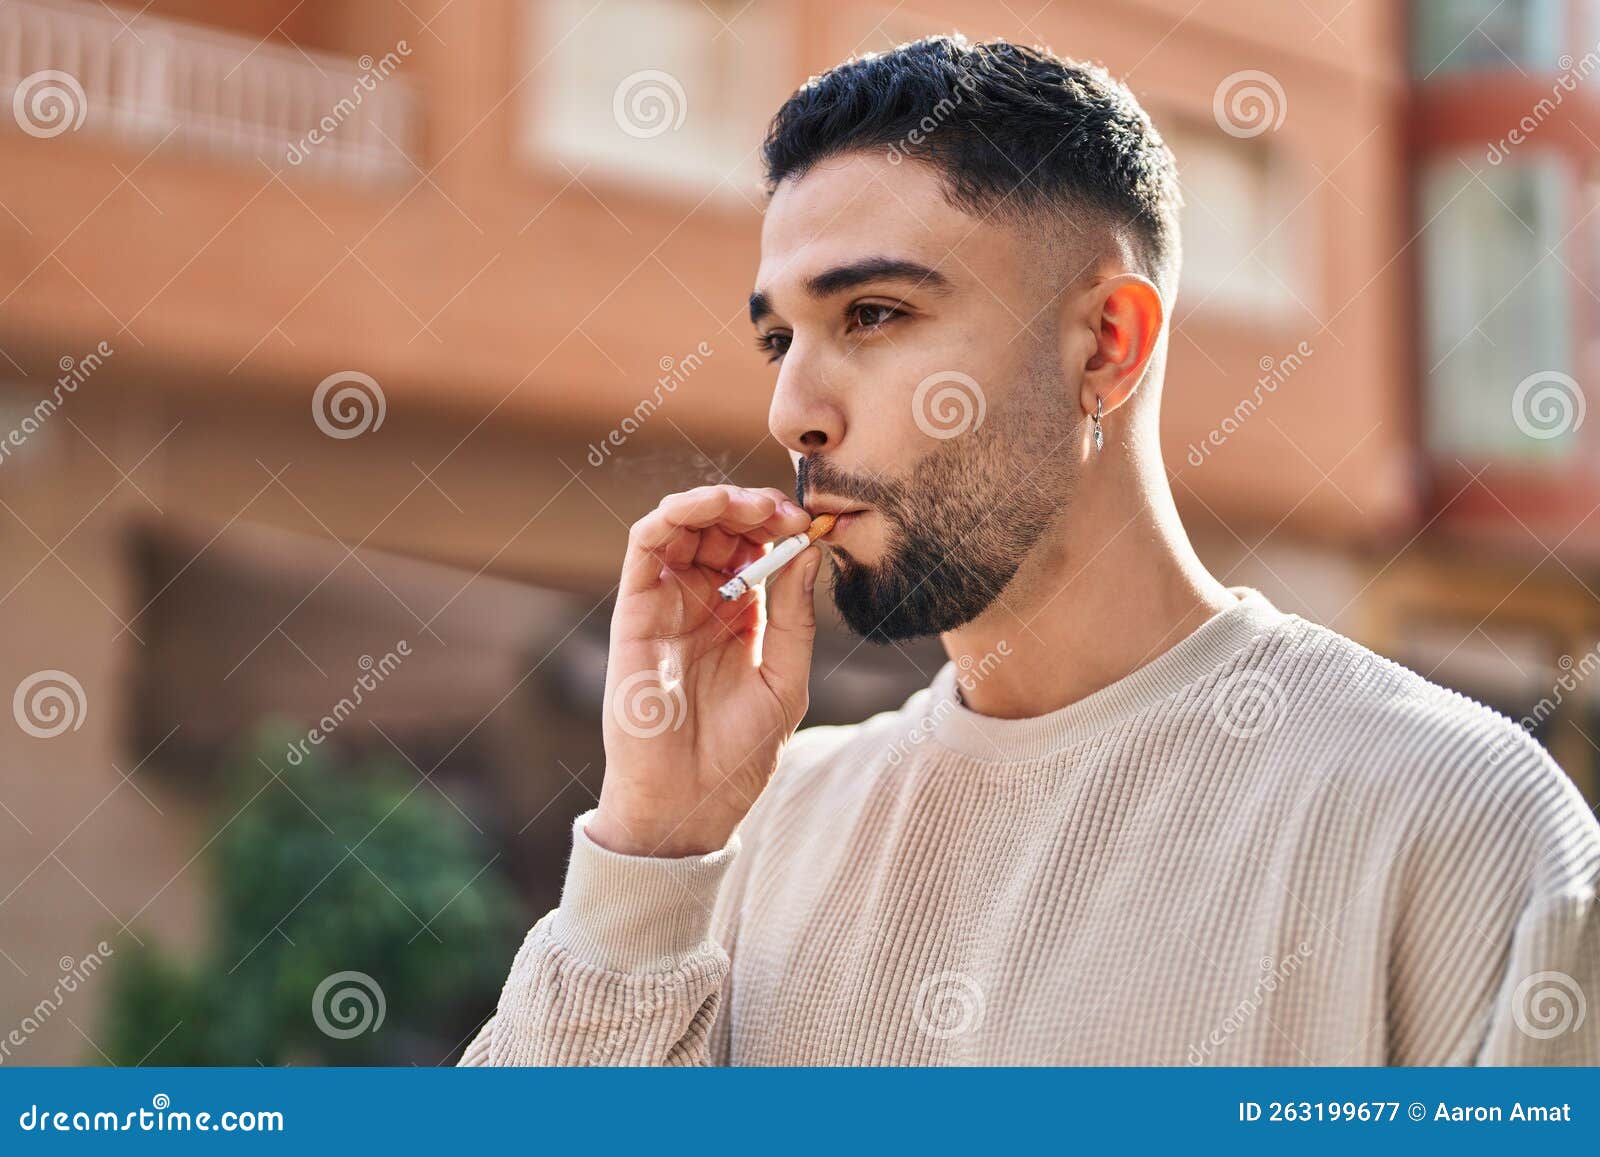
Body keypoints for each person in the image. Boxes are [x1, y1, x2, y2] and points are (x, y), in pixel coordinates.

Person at [461, 35, 1599, 1065]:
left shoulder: (1456, 819)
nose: (792, 413)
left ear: (1107, 344)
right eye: (778, 337)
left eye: (871, 315)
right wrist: (653, 844)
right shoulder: (751, 836)